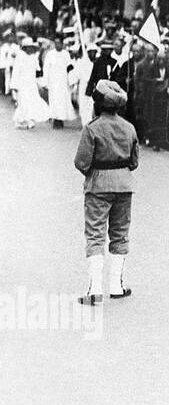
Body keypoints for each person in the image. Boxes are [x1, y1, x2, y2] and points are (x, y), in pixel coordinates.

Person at [73, 80, 140, 305]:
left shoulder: (92, 129)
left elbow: (81, 162)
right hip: (124, 185)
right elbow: (134, 161)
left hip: (98, 186)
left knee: (95, 234)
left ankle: (95, 290)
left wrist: (95, 173)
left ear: (98, 104)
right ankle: (116, 286)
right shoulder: (129, 128)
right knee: (120, 234)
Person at [10, 37, 50, 129]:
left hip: (31, 84)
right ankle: (28, 121)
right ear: (25, 48)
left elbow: (38, 70)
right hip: (22, 84)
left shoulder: (33, 57)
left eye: (31, 47)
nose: (31, 49)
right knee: (23, 102)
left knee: (32, 101)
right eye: (29, 47)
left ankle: (22, 120)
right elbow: (16, 72)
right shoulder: (20, 57)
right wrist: (14, 85)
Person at [42, 35, 77, 128]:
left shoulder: (66, 54)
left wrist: (71, 80)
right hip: (53, 81)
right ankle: (55, 119)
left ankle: (60, 119)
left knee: (62, 101)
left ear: (62, 44)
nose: (58, 45)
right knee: (54, 100)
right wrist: (45, 82)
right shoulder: (50, 54)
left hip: (63, 81)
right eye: (56, 43)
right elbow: (46, 68)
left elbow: (69, 68)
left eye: (59, 43)